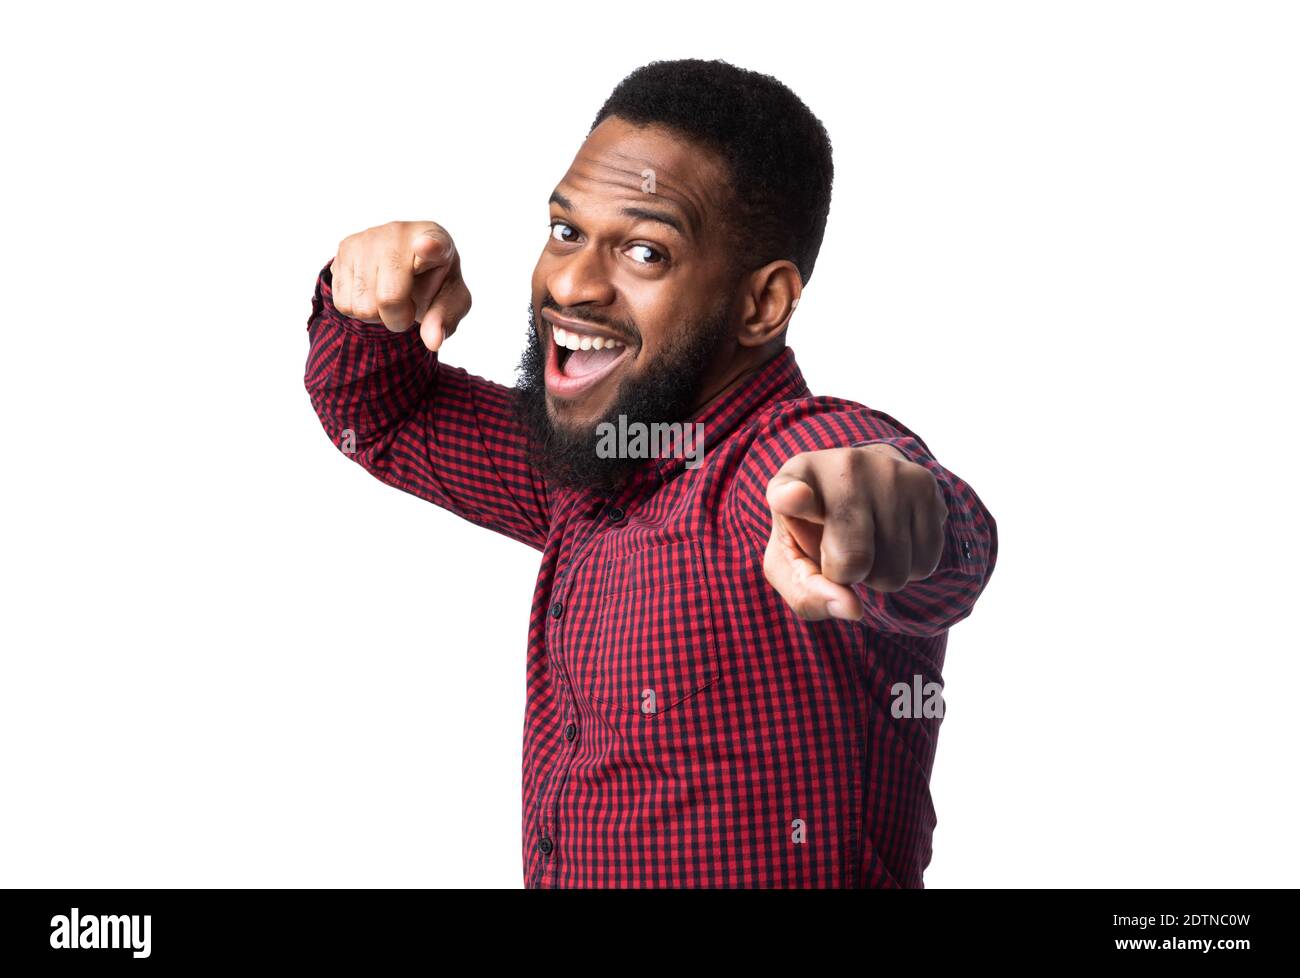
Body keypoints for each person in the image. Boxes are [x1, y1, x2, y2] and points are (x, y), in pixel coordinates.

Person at [304, 58, 997, 888]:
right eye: (565, 231)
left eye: (642, 250)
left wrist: (887, 515)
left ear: (763, 305)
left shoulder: (785, 467)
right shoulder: (600, 462)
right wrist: (367, 298)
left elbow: (930, 537)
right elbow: (380, 417)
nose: (569, 283)